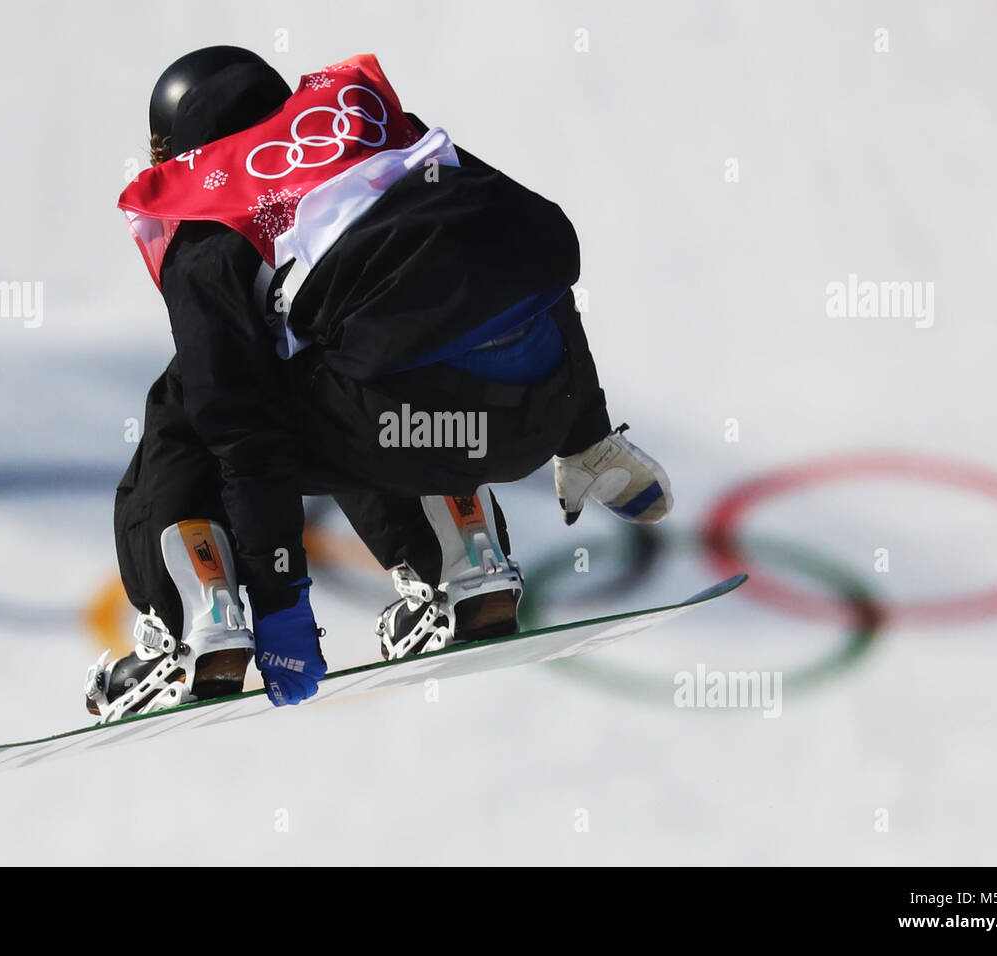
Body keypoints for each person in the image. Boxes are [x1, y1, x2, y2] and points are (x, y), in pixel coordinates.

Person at [84, 47, 673, 722]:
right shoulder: (372, 128)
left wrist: (281, 603)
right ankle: (470, 570)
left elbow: (242, 434)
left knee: (190, 400)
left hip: (400, 421)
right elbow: (510, 256)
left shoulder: (207, 222)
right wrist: (587, 435)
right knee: (367, 349)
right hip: (530, 415)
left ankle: (201, 626)